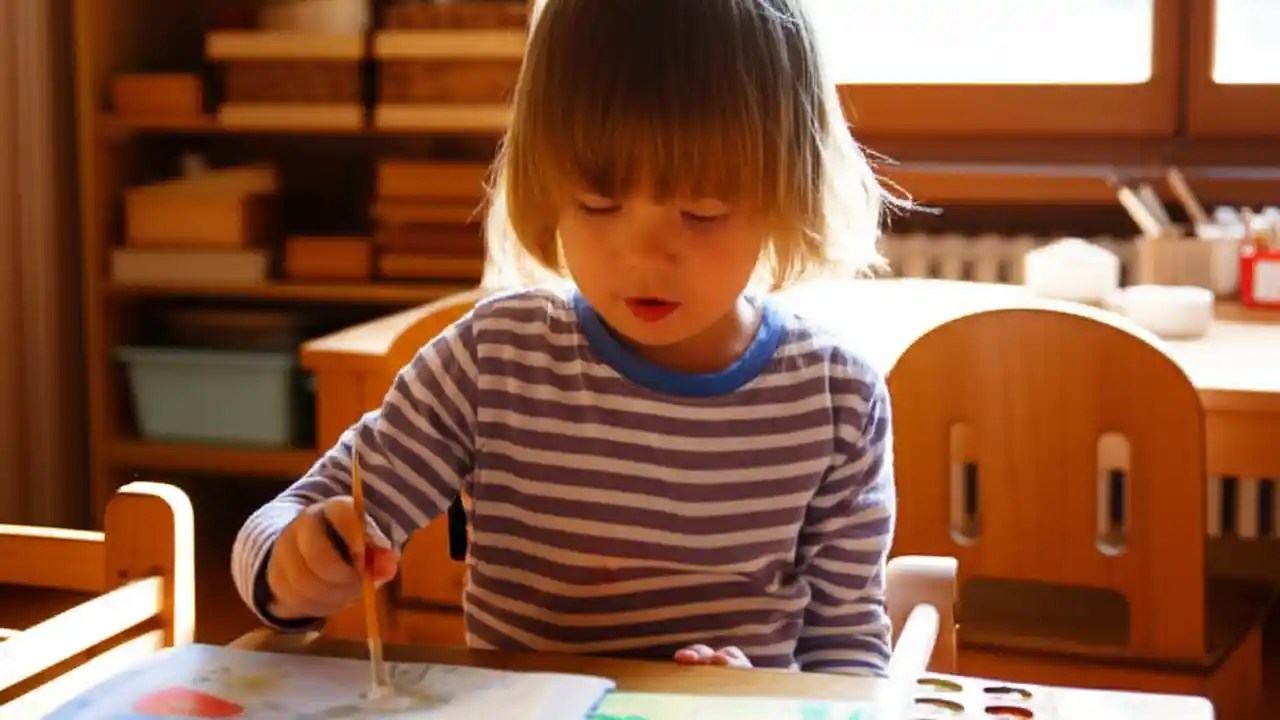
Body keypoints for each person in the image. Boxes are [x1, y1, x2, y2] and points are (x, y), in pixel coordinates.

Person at [232, 0, 900, 676]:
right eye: (598, 204)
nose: (642, 256)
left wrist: (757, 704)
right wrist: (298, 567)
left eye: (703, 212)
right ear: (546, 184)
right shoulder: (495, 364)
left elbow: (848, 656)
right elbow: (282, 525)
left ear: (790, 190)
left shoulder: (835, 401)